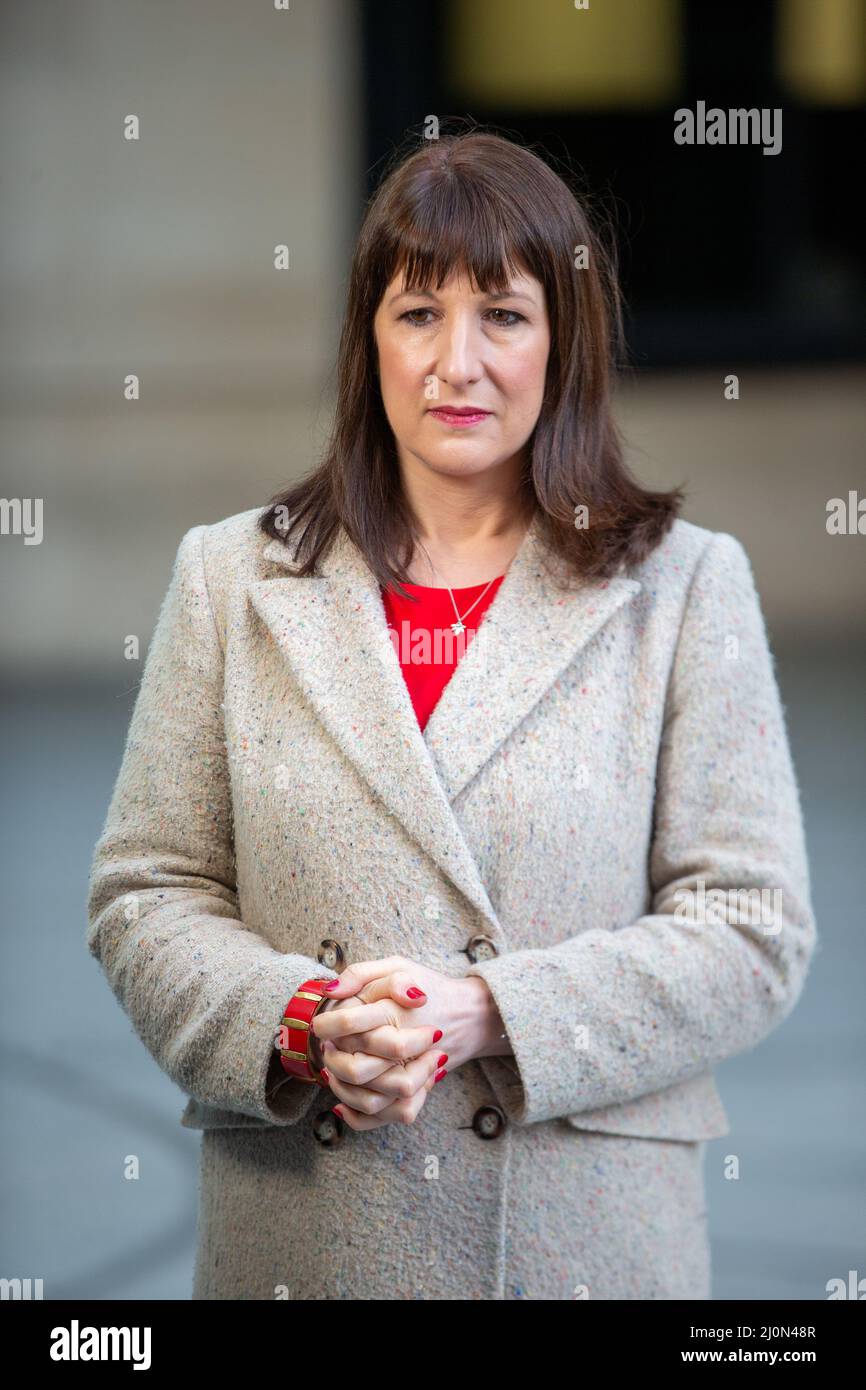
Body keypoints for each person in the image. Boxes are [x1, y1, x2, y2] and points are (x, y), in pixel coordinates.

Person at [86, 129, 816, 1300]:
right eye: (417, 313)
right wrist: (303, 1021)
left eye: (504, 315)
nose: (455, 362)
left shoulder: (684, 586)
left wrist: (482, 1013)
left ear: (562, 340)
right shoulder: (230, 578)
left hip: (579, 1242)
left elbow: (750, 923)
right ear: (366, 337)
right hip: (305, 1240)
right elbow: (147, 891)